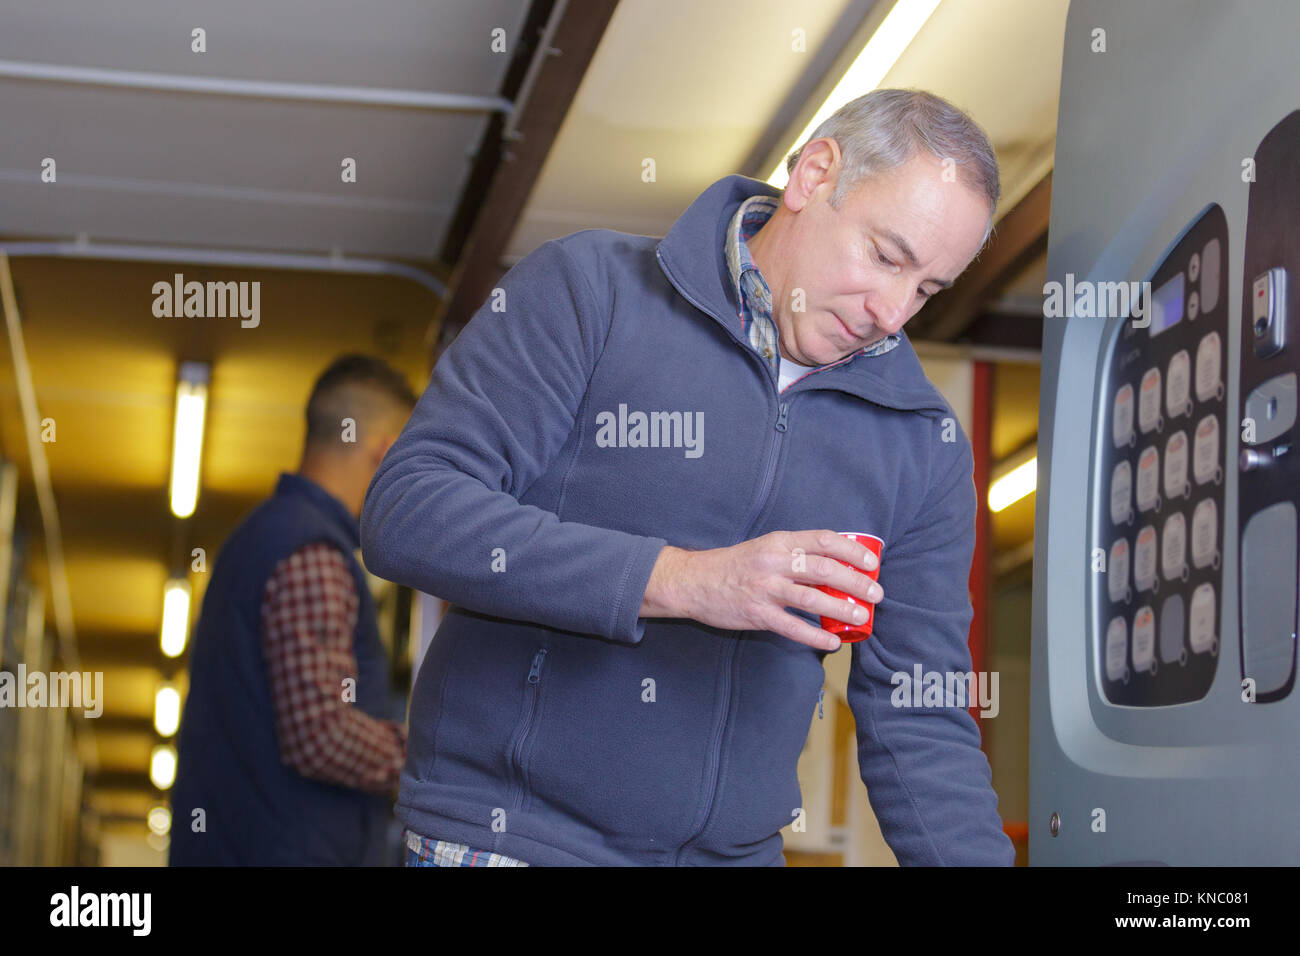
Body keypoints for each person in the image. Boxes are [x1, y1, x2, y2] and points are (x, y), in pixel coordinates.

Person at [362, 88, 1015, 866]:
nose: (892, 311)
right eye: (886, 256)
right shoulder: (590, 292)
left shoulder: (922, 442)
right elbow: (410, 509)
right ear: (813, 175)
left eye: (927, 290)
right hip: (515, 840)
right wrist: (681, 580)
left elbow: (921, 719)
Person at [171, 354, 417, 865]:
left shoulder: (264, 536)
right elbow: (319, 735)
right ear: (386, 452)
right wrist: (432, 756)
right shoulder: (312, 553)